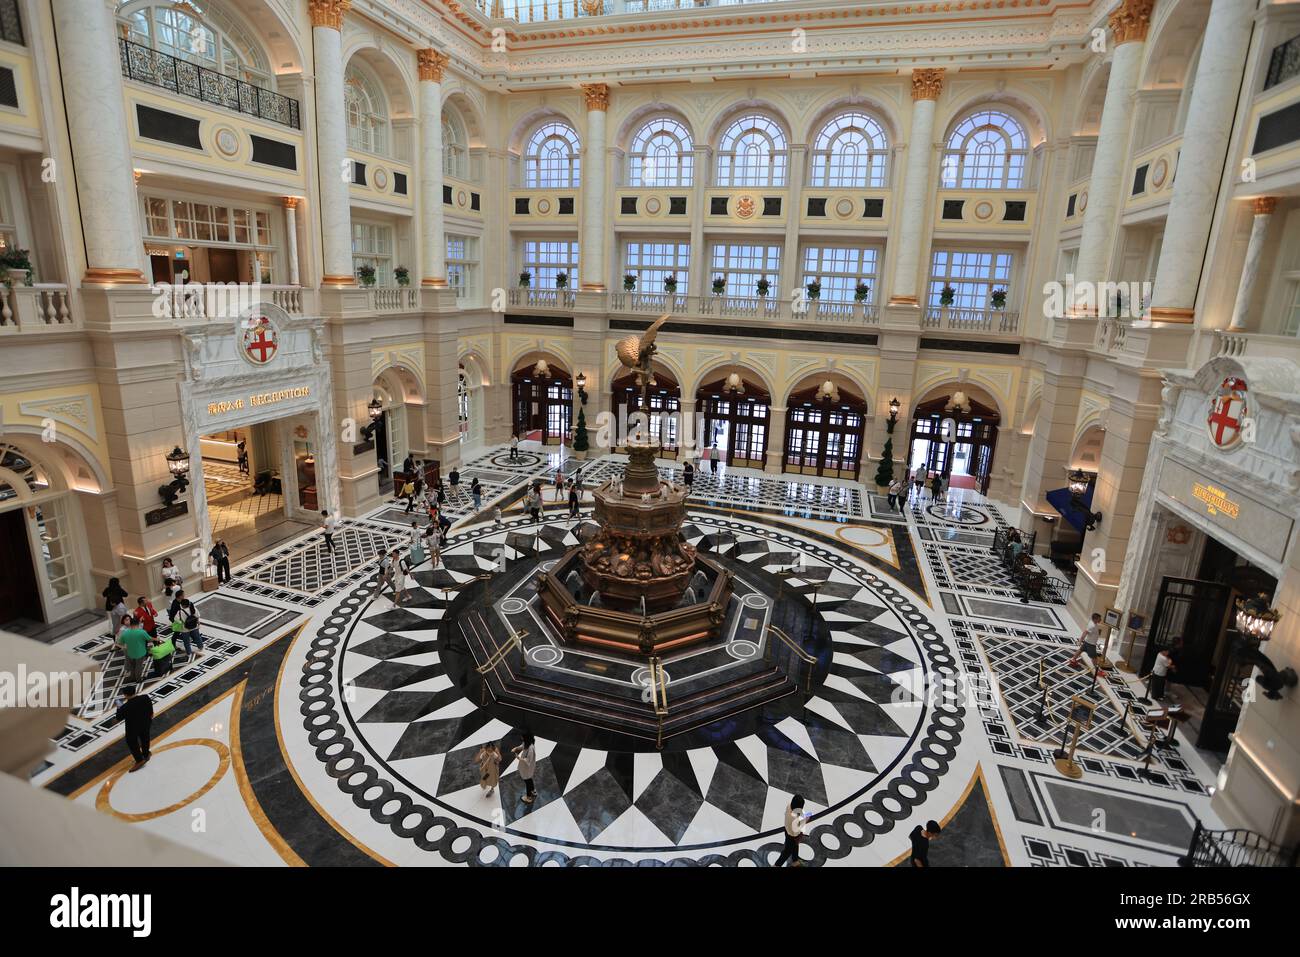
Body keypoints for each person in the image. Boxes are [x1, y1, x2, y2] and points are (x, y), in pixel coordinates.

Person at [116, 685, 154, 772]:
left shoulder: (125, 707)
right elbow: (150, 709)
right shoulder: (145, 697)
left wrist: (119, 708)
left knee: (132, 742)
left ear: (125, 695)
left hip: (133, 728)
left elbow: (118, 718)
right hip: (146, 723)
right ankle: (146, 754)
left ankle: (139, 760)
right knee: (145, 738)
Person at [167, 590, 204, 658]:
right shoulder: (193, 608)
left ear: (182, 605)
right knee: (197, 637)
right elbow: (198, 615)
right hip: (194, 626)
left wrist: (182, 623)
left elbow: (176, 620)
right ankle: (201, 647)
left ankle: (189, 653)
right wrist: (197, 621)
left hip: (185, 628)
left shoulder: (180, 612)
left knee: (186, 641)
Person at [116, 616, 151, 684]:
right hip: (129, 649)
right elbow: (118, 642)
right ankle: (137, 678)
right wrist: (123, 647)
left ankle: (133, 676)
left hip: (136, 648)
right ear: (123, 622)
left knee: (134, 663)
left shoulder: (136, 628)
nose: (128, 621)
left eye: (129, 619)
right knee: (133, 663)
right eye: (126, 620)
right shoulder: (123, 630)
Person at [774, 795, 806, 867]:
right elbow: (796, 832)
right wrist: (805, 820)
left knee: (795, 847)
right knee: (786, 853)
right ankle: (776, 865)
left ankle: (795, 861)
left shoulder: (789, 806)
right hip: (793, 836)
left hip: (787, 830)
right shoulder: (795, 818)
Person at [513, 733, 537, 804]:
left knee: (527, 780)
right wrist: (516, 748)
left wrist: (519, 758)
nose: (522, 738)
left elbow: (528, 759)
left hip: (527, 767)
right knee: (529, 778)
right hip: (526, 766)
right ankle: (533, 791)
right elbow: (522, 745)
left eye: (523, 737)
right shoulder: (528, 743)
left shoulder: (530, 748)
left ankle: (529, 797)